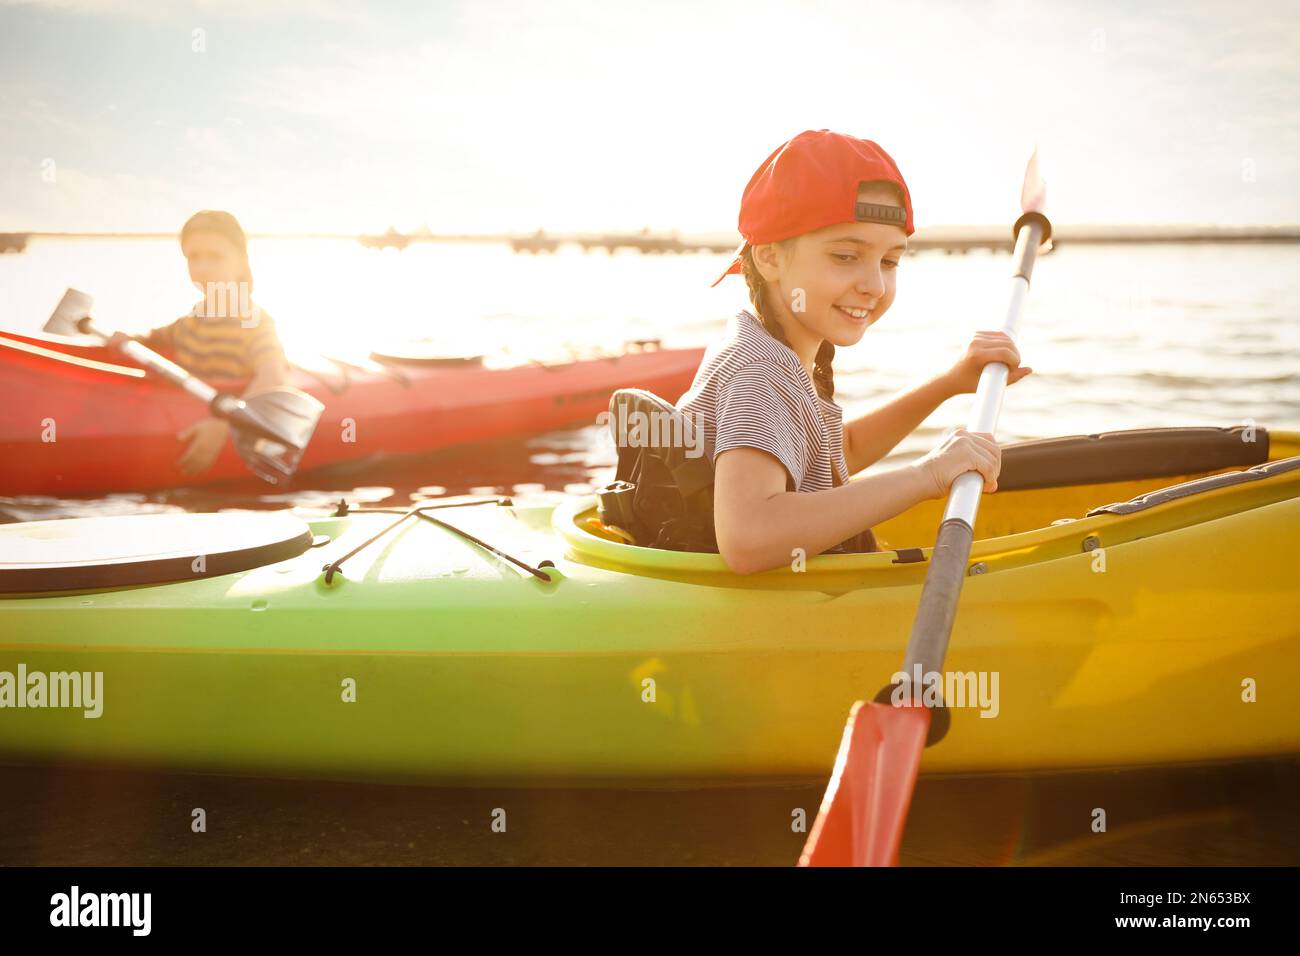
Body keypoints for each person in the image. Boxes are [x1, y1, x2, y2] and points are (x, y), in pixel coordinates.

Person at [682, 129, 1033, 575]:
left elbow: (835, 454)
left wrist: (948, 383)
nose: (874, 284)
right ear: (769, 258)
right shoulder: (760, 373)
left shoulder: (778, 350)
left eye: (889, 261)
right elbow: (749, 539)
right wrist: (927, 475)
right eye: (846, 256)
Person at [139, 210, 289, 475]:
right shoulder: (192, 321)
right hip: (182, 411)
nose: (203, 267)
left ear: (242, 262)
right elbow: (151, 339)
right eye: (193, 258)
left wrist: (225, 427)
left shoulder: (252, 321)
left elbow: (273, 377)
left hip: (224, 419)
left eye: (215, 257)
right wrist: (122, 339)